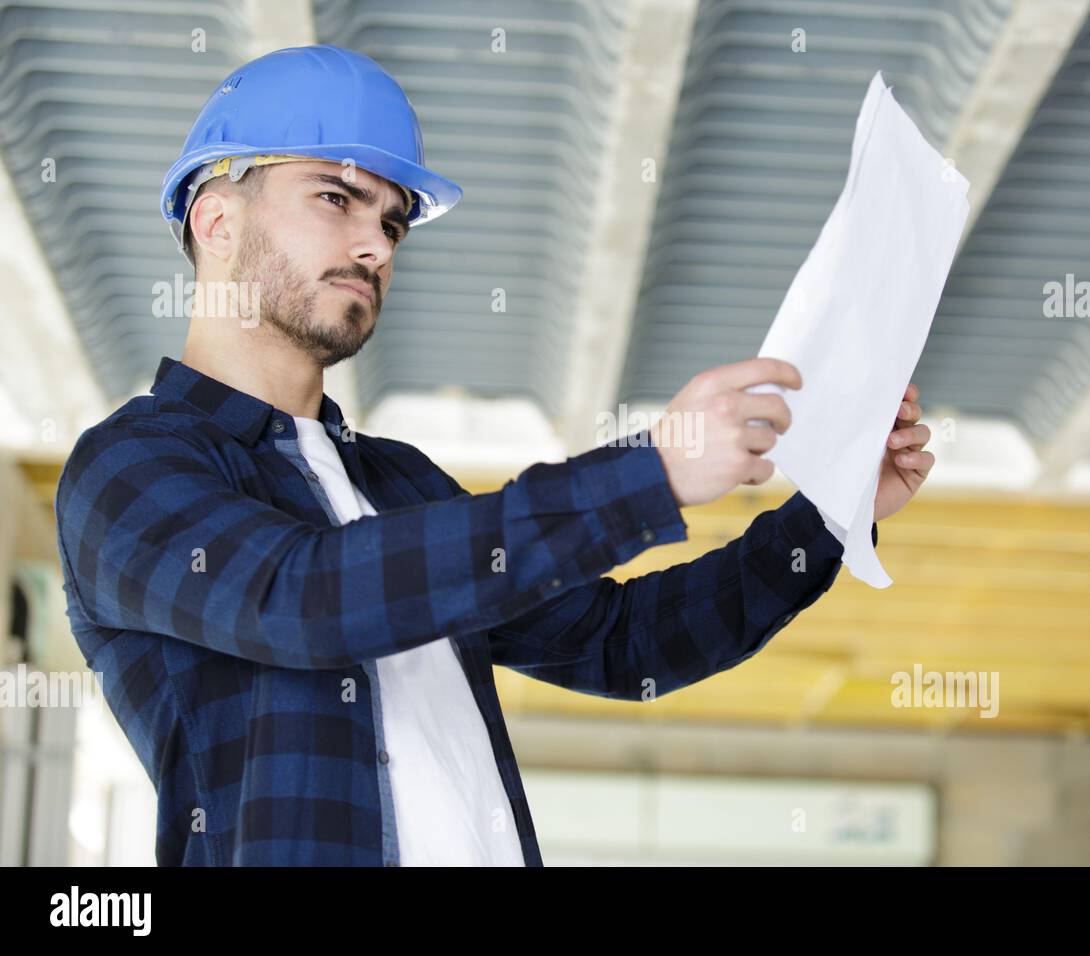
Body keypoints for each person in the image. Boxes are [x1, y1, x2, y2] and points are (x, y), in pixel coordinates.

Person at [54, 45, 934, 866]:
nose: (375, 245)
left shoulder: (396, 483)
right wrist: (650, 474)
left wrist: (824, 514)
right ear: (215, 220)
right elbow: (307, 600)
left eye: (394, 222)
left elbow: (624, 645)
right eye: (335, 197)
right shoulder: (128, 470)